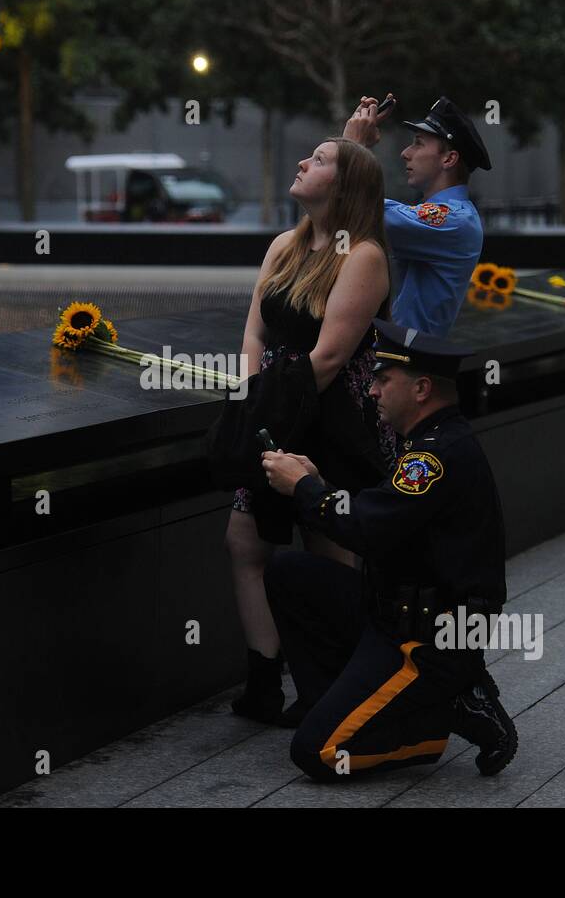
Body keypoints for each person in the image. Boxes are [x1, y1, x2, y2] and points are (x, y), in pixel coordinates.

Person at [259, 320, 518, 781]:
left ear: (421, 389)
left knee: (319, 753)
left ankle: (439, 719)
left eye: (383, 379)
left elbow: (366, 530)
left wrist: (303, 488)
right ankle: (336, 703)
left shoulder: (432, 456)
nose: (373, 390)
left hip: (429, 643)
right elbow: (385, 515)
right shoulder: (427, 441)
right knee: (288, 571)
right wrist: (317, 483)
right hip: (392, 613)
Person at [225, 137, 394, 724]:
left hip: (331, 424)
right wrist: (253, 402)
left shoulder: (364, 256)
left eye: (320, 160)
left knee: (328, 553)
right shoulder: (282, 246)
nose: (302, 162)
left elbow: (328, 358)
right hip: (271, 415)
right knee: (245, 542)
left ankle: (332, 689)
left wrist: (268, 417)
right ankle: (263, 683)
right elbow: (254, 335)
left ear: (345, 187)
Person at [343, 95, 491, 338]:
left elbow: (357, 210)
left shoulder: (452, 219)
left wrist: (353, 145)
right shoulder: (446, 215)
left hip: (403, 365)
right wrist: (352, 146)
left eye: (418, 143)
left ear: (449, 159)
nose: (405, 153)